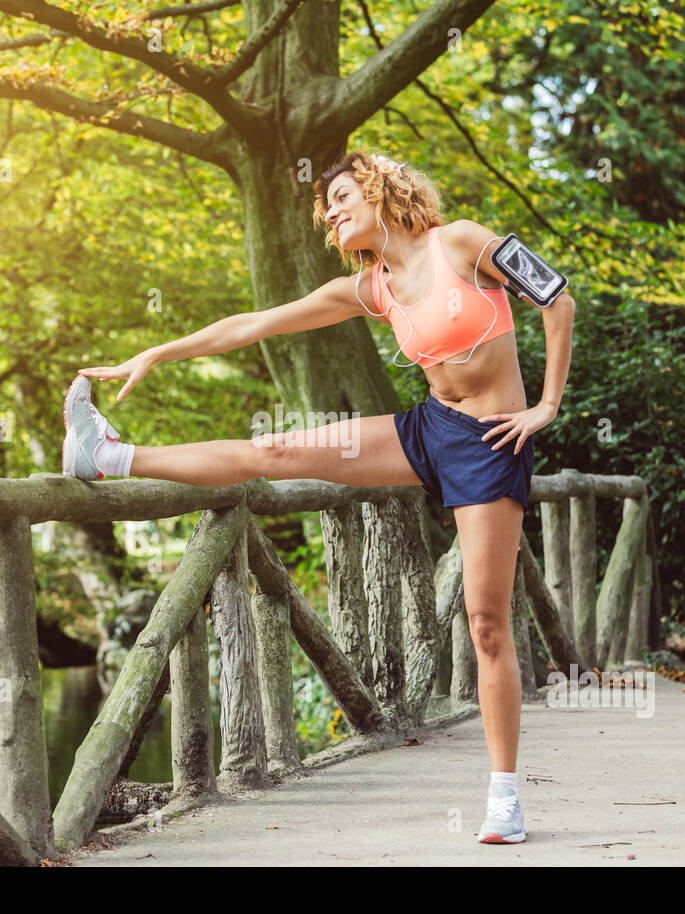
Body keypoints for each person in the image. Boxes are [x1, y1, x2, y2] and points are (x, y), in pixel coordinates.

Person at [62, 150, 575, 844]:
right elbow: (256, 323)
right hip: (427, 429)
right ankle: (109, 455)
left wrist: (545, 405)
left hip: (490, 443)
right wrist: (157, 353)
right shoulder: (372, 287)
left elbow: (557, 296)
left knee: (485, 623)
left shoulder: (461, 242)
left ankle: (505, 799)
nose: (331, 213)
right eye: (326, 207)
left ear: (377, 188)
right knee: (274, 450)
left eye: (340, 196)